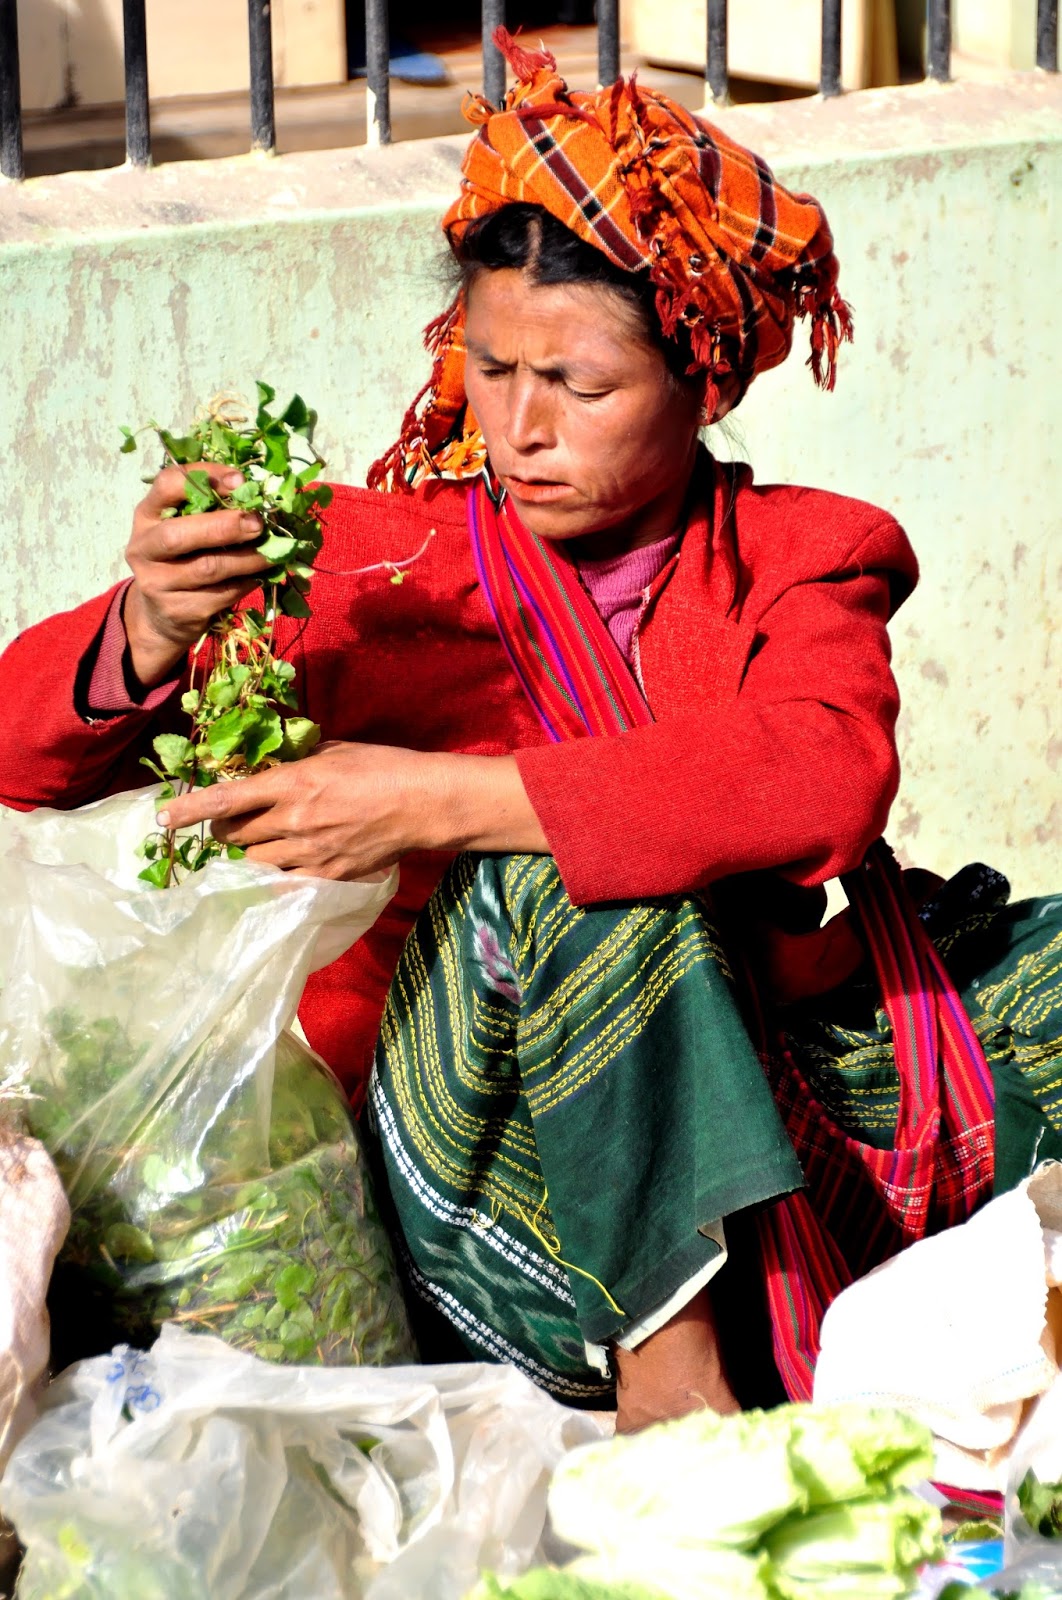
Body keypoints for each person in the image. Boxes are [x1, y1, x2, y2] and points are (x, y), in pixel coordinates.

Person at [2, 32, 1060, 1432]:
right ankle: (670, 1390)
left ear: (706, 381)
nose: (518, 427)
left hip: (777, 1107)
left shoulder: (807, 552)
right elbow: (24, 753)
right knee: (569, 879)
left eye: (578, 386)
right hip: (495, 1178)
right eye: (494, 370)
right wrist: (147, 626)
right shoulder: (367, 563)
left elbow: (821, 770)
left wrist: (432, 799)